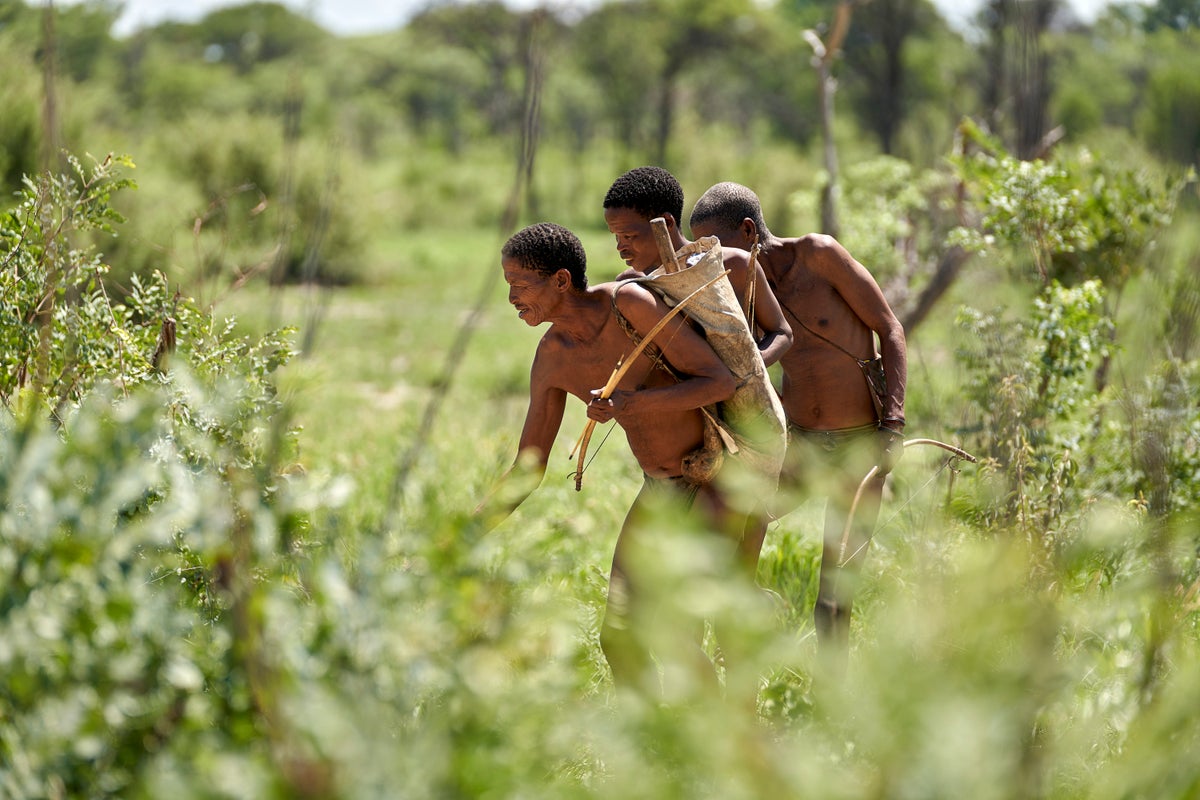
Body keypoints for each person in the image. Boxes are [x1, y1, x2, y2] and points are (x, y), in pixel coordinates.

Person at [476, 221, 740, 691]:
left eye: (520, 285)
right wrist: (465, 532)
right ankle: (648, 748)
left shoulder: (628, 306)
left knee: (674, 632)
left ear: (560, 280)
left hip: (716, 475)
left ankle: (725, 748)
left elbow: (719, 382)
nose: (512, 298)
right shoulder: (553, 356)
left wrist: (630, 405)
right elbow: (528, 467)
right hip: (660, 489)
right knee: (617, 635)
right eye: (508, 287)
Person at [689, 181, 908, 669]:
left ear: (749, 231)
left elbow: (889, 328)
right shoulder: (739, 297)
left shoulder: (819, 256)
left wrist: (892, 422)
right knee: (743, 524)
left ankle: (832, 702)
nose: (714, 263)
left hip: (859, 446)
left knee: (835, 593)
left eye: (718, 248)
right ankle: (741, 638)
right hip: (797, 446)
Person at [602, 166, 792, 568]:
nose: (621, 246)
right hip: (694, 448)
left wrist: (743, 370)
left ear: (666, 223)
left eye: (630, 235)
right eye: (615, 237)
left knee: (736, 573)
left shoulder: (734, 265)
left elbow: (782, 334)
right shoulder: (639, 290)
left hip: (751, 432)